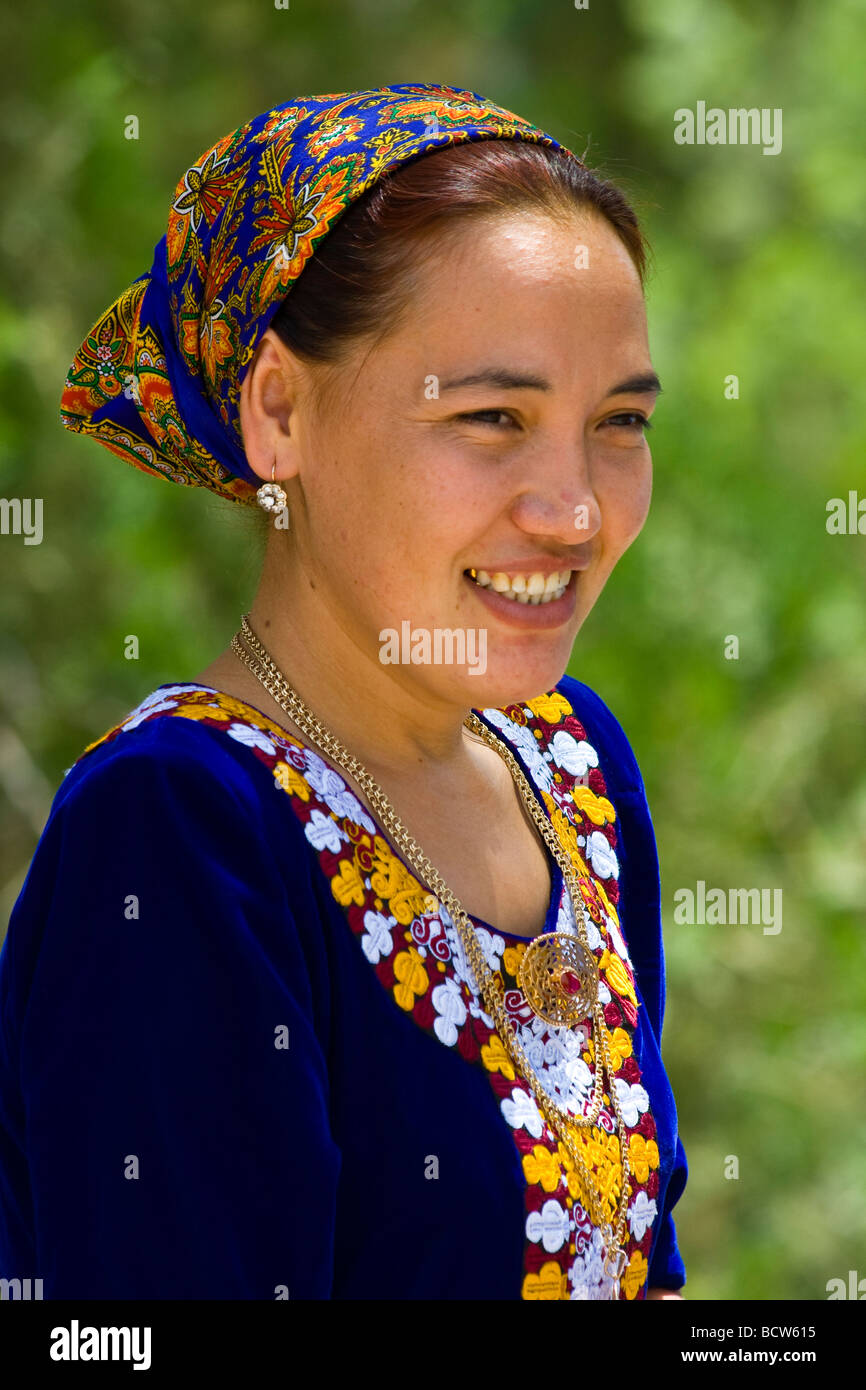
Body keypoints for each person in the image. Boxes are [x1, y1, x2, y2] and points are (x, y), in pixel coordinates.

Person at [0, 83, 687, 1300]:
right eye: (490, 416)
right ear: (279, 409)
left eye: (617, 422)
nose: (575, 512)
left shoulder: (572, 770)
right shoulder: (179, 831)